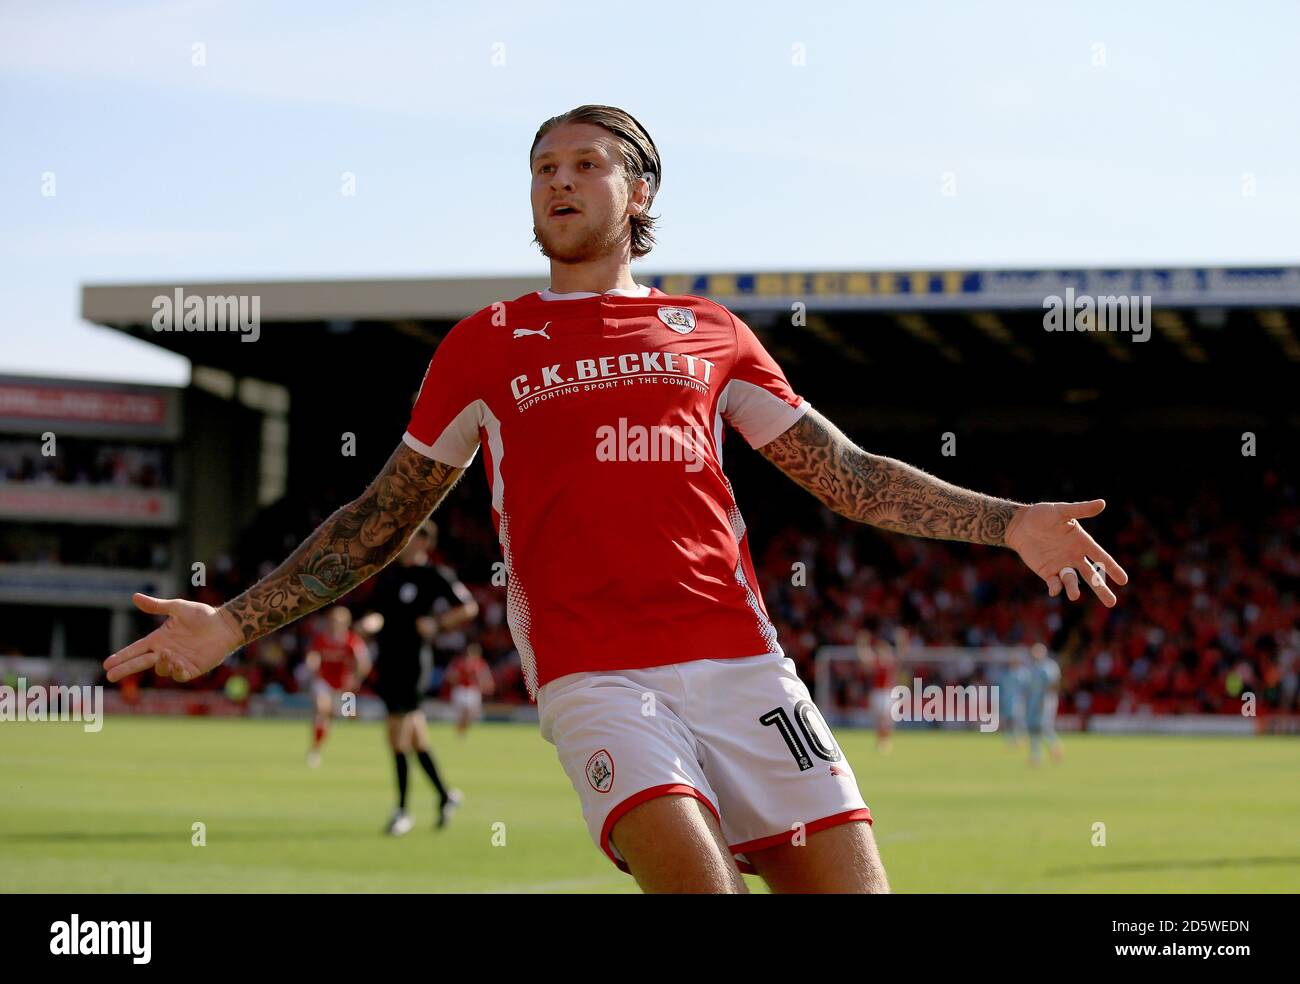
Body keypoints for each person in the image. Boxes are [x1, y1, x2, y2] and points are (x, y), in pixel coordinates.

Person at [104, 104, 1128, 894]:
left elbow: (844, 473)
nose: (558, 180)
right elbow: (382, 518)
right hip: (599, 678)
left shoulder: (710, 332)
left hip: (746, 668)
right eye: (542, 167)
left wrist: (1007, 522)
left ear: (639, 193)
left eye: (584, 163)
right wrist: (235, 620)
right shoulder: (484, 344)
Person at [356, 520, 477, 834]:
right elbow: (378, 612)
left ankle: (402, 811)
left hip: (414, 664)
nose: (402, 542)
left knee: (396, 736)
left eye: (409, 537)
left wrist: (437, 624)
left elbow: (467, 608)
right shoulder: (390, 574)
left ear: (424, 542)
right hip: (389, 662)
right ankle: (445, 795)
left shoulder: (434, 575)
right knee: (415, 740)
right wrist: (369, 624)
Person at [303, 605, 371, 767]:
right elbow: (313, 656)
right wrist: (311, 664)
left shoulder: (352, 640)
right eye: (332, 621)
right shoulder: (321, 639)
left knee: (350, 716)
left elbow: (363, 663)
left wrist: (356, 679)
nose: (335, 624)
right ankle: (315, 750)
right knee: (322, 709)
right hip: (324, 682)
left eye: (339, 621)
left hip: (344, 686)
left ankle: (354, 752)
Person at [1025, 643, 1064, 765]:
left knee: (1044, 727)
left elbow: (1054, 684)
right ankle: (1036, 755)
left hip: (1046, 701)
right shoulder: (1033, 667)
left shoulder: (1050, 666)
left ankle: (1055, 745)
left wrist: (1044, 699)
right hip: (1033, 701)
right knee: (1032, 727)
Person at [447, 642, 494, 737]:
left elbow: (486, 678)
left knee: (472, 713)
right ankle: (460, 732)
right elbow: (450, 677)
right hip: (461, 689)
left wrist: (483, 683)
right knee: (462, 713)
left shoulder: (481, 664)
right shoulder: (459, 663)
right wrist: (462, 674)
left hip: (473, 690)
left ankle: (462, 731)